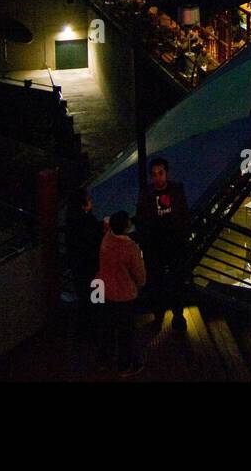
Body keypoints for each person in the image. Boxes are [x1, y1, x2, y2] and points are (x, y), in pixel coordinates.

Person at [135, 157, 191, 331]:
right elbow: (141, 219)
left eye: (160, 173)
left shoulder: (175, 189)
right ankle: (160, 315)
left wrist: (182, 236)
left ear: (166, 173)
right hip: (155, 246)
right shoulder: (147, 194)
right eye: (154, 175)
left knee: (176, 280)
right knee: (157, 282)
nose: (158, 178)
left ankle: (176, 315)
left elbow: (183, 214)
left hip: (174, 244)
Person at [96, 210, 146, 376]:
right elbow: (140, 274)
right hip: (124, 294)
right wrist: (140, 284)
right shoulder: (130, 247)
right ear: (126, 226)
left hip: (105, 290)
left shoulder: (106, 239)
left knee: (107, 328)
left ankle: (104, 360)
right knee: (126, 332)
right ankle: (125, 366)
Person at [66, 188, 103, 344]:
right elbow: (98, 243)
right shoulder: (89, 221)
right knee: (98, 300)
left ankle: (83, 334)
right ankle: (99, 333)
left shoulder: (71, 222)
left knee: (85, 299)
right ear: (84, 204)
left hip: (79, 268)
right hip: (94, 268)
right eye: (88, 199)